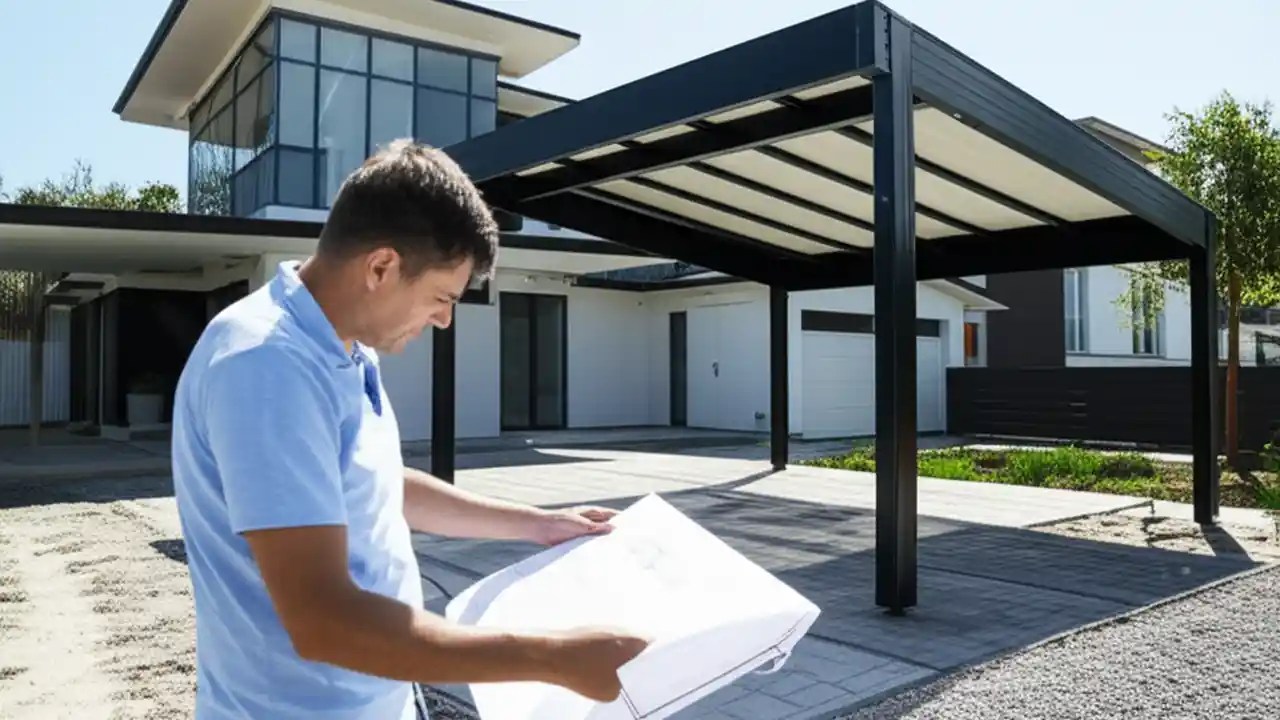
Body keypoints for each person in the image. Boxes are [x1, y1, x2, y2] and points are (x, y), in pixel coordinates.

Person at [171, 139, 649, 720]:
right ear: (381, 267)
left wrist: (540, 524)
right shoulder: (266, 365)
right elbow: (323, 622)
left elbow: (376, 486)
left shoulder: (343, 347)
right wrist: (553, 658)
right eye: (441, 297)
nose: (445, 319)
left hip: (374, 699)